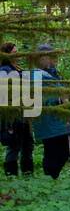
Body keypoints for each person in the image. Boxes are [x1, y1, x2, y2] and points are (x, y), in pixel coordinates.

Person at [32, 43, 70, 179]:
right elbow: (34, 103)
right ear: (43, 58)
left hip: (60, 122)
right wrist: (59, 98)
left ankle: (52, 177)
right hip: (48, 122)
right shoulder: (35, 76)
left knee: (65, 150)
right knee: (53, 152)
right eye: (51, 57)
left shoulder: (53, 74)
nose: (54, 60)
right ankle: (50, 178)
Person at [0, 42, 34, 176]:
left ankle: (28, 174)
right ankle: (11, 175)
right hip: (12, 115)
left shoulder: (18, 68)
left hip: (23, 113)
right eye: (14, 53)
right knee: (13, 145)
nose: (18, 55)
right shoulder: (4, 70)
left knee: (28, 144)